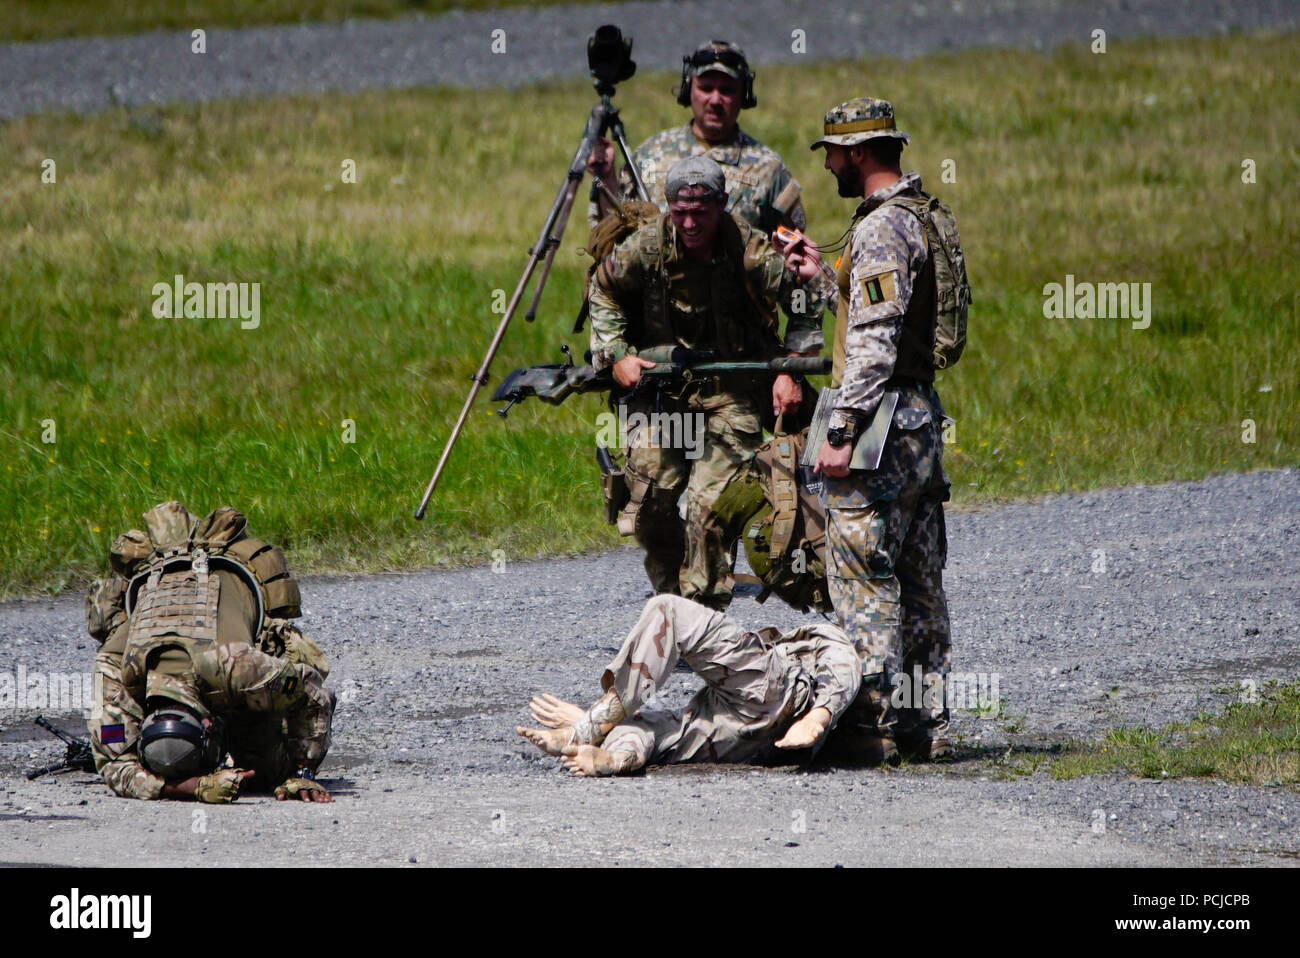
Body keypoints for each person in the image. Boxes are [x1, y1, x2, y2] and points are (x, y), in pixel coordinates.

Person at [800, 97, 961, 764]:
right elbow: (876, 309)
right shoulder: (922, 216)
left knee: (864, 568)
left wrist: (841, 427)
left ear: (860, 154)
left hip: (881, 419)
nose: (831, 164)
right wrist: (818, 277)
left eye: (834, 153)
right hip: (919, 412)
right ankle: (922, 720)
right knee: (922, 573)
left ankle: (873, 721)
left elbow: (872, 340)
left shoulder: (880, 231)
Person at [588, 155, 823, 610]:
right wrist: (617, 355)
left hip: (734, 394)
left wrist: (790, 369)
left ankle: (704, 618)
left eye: (702, 211)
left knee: (708, 504)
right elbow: (603, 289)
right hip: (664, 394)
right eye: (681, 212)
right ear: (668, 208)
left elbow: (803, 299)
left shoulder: (752, 251)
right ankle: (673, 606)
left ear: (722, 204)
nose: (691, 222)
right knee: (648, 499)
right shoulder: (646, 247)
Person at [84, 501, 336, 802]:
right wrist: (196, 787)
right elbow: (114, 768)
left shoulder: (240, 669)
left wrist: (301, 773)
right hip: (197, 653)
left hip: (230, 646)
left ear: (207, 724)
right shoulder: (112, 671)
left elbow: (311, 690)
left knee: (266, 773)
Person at [516, 593, 860, 776]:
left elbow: (847, 663)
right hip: (754, 739)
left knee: (669, 611)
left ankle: (585, 730)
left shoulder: (825, 636)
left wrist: (819, 717)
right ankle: (618, 756)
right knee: (654, 727)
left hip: (778, 693)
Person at [588, 40, 807, 235]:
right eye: (706, 88)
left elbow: (793, 251)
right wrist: (607, 177)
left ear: (744, 94)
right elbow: (611, 233)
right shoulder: (649, 155)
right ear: (688, 89)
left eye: (727, 90)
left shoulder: (768, 168)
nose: (715, 99)